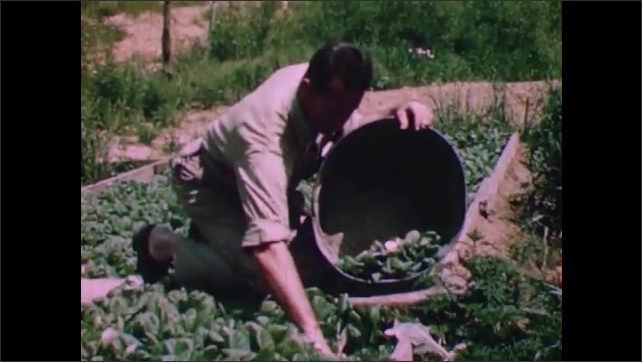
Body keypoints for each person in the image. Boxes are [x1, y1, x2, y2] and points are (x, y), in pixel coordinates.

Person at [133, 42, 433, 355]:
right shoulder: (264, 139)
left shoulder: (325, 86)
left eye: (349, 108)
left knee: (302, 258)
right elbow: (267, 249)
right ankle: (164, 244)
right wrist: (315, 338)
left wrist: (397, 110)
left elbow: (353, 124)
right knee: (261, 278)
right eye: (334, 110)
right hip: (208, 182)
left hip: (258, 175)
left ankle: (220, 239)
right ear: (307, 88)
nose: (340, 120)